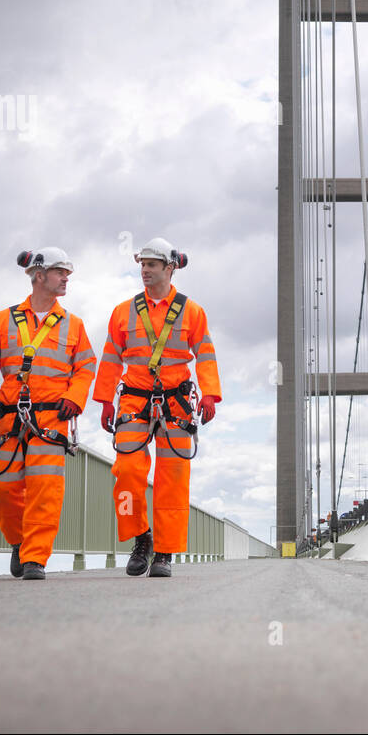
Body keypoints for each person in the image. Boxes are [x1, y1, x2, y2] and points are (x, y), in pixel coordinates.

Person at [95, 238, 221, 577]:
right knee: (126, 472)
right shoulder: (123, 311)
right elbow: (110, 357)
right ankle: (141, 537)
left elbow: (205, 353)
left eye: (152, 264)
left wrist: (209, 394)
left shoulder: (192, 311)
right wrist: (105, 399)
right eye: (142, 264)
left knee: (173, 479)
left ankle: (164, 553)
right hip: (134, 399)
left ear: (170, 267)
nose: (145, 270)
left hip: (176, 402)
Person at [0, 247, 96, 580]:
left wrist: (75, 397)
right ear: (39, 275)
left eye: (67, 273)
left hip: (52, 419)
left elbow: (85, 368)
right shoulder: (3, 320)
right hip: (9, 418)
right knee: (4, 492)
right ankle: (20, 542)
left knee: (45, 491)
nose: (66, 278)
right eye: (59, 272)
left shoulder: (74, 325)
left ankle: (35, 559)